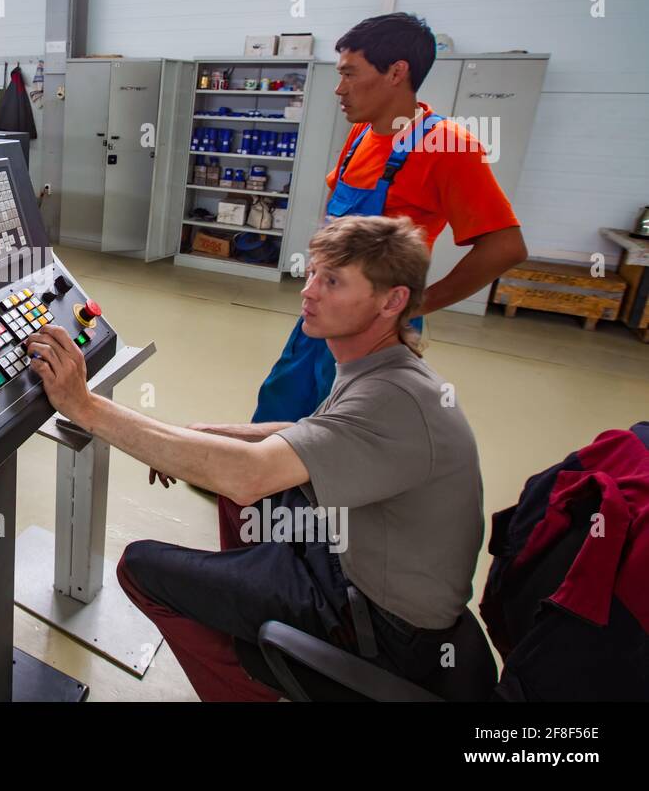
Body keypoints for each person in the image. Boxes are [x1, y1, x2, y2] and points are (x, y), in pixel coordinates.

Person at [25, 214, 484, 701]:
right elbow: (309, 434)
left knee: (140, 567)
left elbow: (249, 476)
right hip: (351, 556)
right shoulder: (379, 364)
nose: (308, 292)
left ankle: (253, 679)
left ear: (393, 301)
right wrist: (192, 436)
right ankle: (244, 610)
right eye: (311, 274)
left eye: (332, 281)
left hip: (375, 624)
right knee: (231, 493)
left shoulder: (393, 398)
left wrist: (83, 405)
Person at [216, 12, 525, 553]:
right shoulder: (359, 139)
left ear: (396, 72)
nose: (338, 88)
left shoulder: (448, 145)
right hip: (324, 311)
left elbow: (504, 246)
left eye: (350, 73)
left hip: (378, 325)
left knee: (346, 424)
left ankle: (310, 540)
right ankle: (258, 492)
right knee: (284, 398)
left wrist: (420, 303)